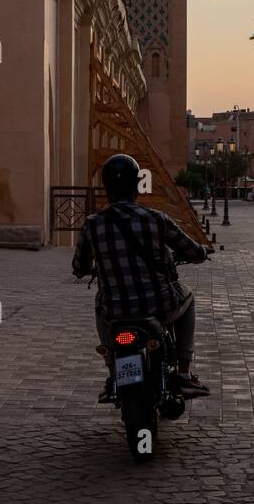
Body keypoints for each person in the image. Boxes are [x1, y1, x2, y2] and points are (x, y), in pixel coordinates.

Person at [72, 153, 211, 397]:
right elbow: (193, 251)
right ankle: (184, 372)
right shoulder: (156, 219)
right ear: (137, 185)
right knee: (188, 299)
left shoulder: (93, 224)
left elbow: (79, 266)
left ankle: (114, 373)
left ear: (107, 187)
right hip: (158, 305)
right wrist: (201, 252)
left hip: (115, 309)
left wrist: (94, 268)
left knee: (100, 306)